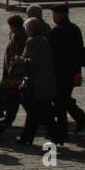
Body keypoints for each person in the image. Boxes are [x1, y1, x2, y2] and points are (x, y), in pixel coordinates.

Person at [48, 4, 85, 141]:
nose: (53, 17)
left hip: (59, 73)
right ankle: (80, 118)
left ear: (60, 15)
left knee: (60, 102)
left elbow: (51, 54)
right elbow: (79, 52)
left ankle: (61, 132)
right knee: (64, 99)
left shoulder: (56, 32)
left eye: (54, 14)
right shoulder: (75, 29)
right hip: (72, 71)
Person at [18, 17, 57, 145]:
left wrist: (21, 61)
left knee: (34, 110)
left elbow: (32, 62)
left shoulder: (32, 42)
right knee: (43, 110)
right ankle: (54, 134)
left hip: (36, 81)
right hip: (45, 80)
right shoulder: (43, 40)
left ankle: (27, 137)